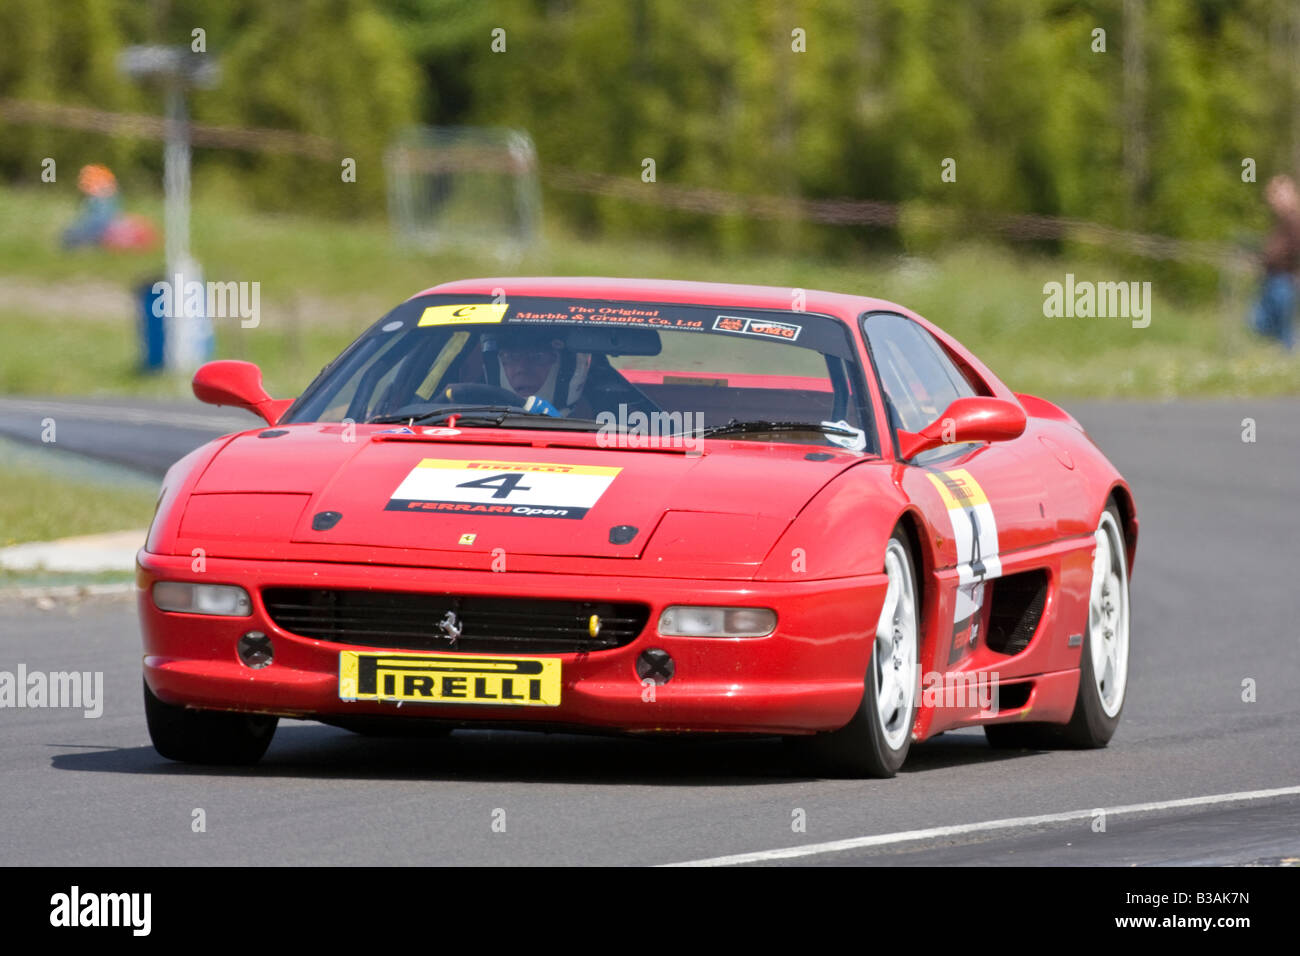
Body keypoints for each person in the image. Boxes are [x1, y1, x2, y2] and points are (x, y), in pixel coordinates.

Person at [1249, 174, 1300, 349]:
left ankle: (1289, 359)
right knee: (1260, 323)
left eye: (1278, 194)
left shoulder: (1295, 221)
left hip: (1284, 280)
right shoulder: (1282, 221)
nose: (1273, 200)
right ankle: (1282, 358)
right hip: (1273, 278)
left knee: (1281, 329)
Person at [489, 330, 592, 416]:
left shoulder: (599, 426)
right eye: (510, 357)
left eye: (537, 357)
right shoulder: (476, 410)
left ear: (567, 368)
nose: (521, 369)